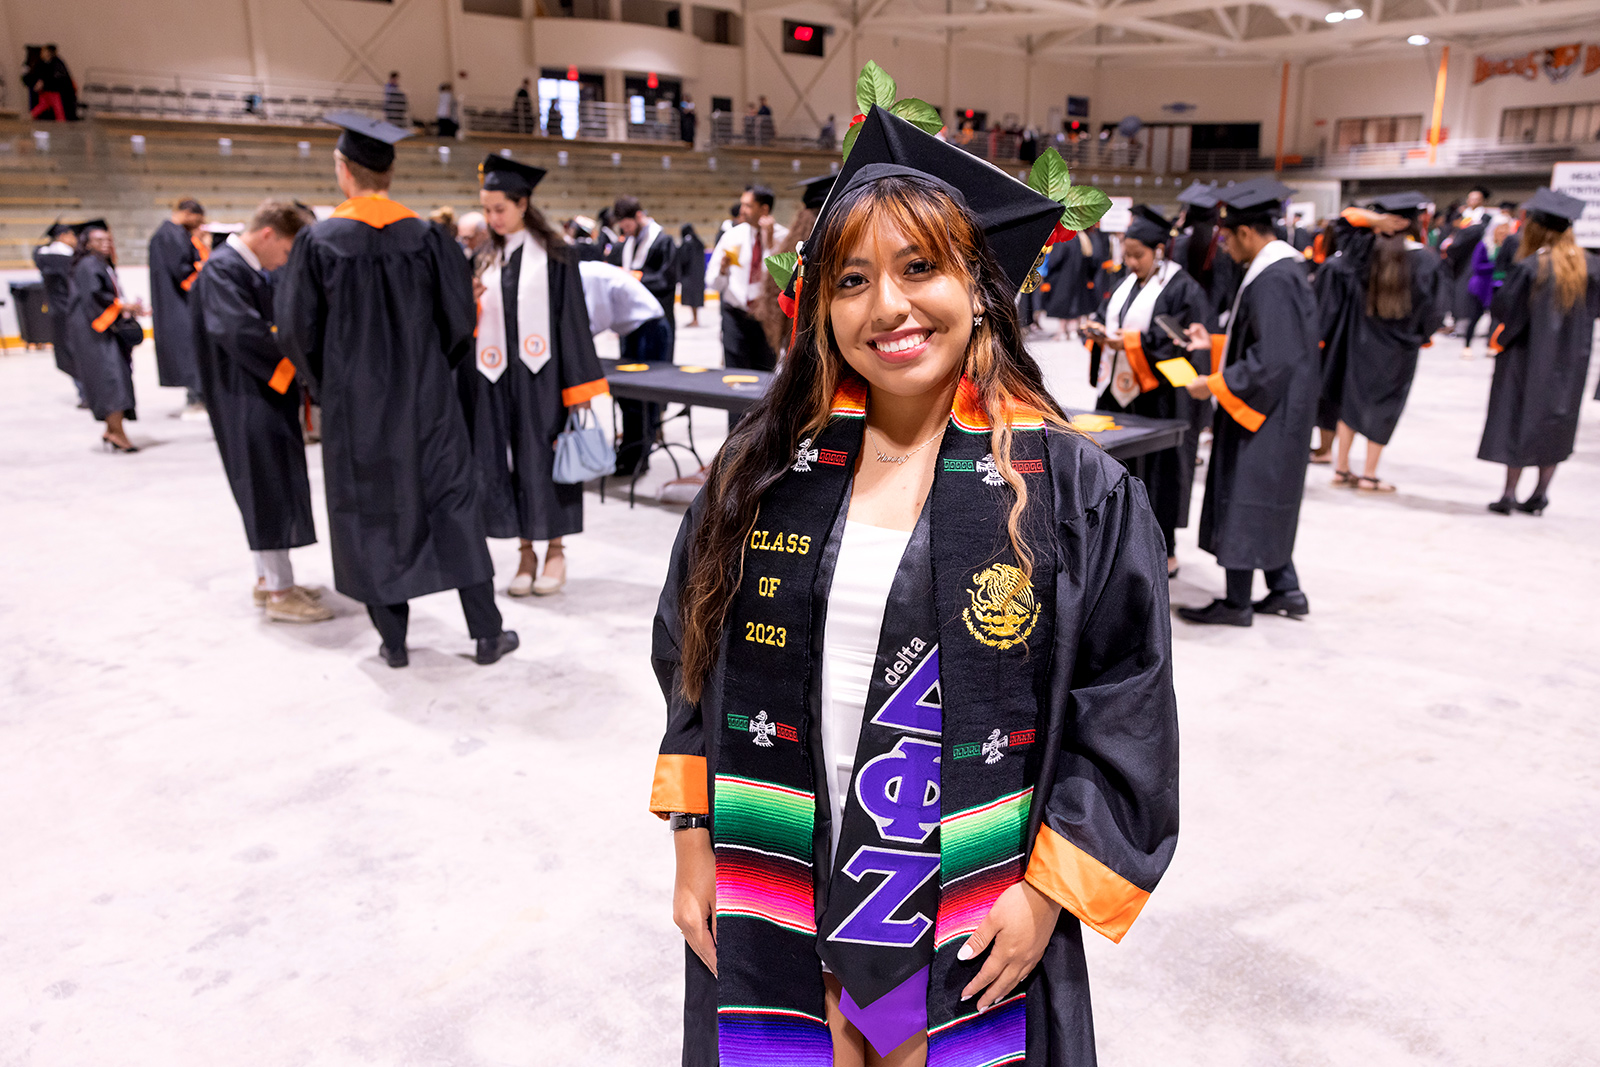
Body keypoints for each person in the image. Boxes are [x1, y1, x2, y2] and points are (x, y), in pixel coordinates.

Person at [650, 101, 1177, 1067]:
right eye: (852, 279)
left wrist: (1044, 895)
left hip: (970, 899)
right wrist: (693, 844)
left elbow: (1124, 704)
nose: (886, 306)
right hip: (779, 876)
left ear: (981, 287)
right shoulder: (758, 472)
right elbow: (689, 665)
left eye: (919, 268)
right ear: (820, 306)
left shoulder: (1068, 489)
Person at [275, 112, 517, 668]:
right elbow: (460, 321)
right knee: (452, 504)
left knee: (370, 511)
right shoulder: (427, 237)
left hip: (356, 409)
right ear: (388, 173)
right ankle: (486, 633)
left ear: (344, 171)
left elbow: (295, 331)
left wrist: (332, 385)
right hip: (430, 401)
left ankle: (394, 643)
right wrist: (433, 371)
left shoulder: (318, 241)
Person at [458, 154, 610, 596]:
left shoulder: (558, 255)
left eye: (499, 209)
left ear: (523, 203)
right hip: (495, 380)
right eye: (486, 210)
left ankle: (556, 550)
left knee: (546, 461)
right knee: (506, 461)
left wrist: (578, 390)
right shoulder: (484, 256)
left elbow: (572, 324)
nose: (492, 218)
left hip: (545, 381)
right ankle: (525, 551)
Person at [1177, 178, 1320, 626]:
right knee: (1267, 498)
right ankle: (1286, 590)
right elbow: (1267, 342)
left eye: (1227, 238)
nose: (1224, 248)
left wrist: (1215, 384)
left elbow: (1271, 358)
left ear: (1245, 233)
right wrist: (1215, 342)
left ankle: (1237, 602)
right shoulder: (1282, 271)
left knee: (1245, 496)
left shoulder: (1272, 279)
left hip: (1265, 411)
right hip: (1284, 408)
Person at [191, 200, 331, 623]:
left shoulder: (242, 268)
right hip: (245, 396)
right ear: (269, 234)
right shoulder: (223, 269)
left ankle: (269, 579)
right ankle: (279, 591)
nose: (285, 262)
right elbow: (241, 332)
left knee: (267, 486)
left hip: (258, 393)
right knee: (266, 487)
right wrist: (296, 366)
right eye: (288, 252)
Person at [1083, 205, 1214, 576]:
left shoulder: (1183, 288)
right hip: (1118, 387)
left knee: (1159, 472)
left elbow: (1182, 343)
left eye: (1138, 256)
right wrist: (1094, 330)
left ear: (1159, 250)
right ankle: (1114, 544)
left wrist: (1129, 343)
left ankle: (1165, 548)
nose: (1131, 263)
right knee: (1114, 466)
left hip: (1159, 394)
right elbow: (1105, 313)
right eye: (1127, 256)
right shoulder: (1124, 284)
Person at [1314, 192, 1448, 493]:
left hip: (1362, 338)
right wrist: (1419, 336)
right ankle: (1369, 474)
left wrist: (1375, 221)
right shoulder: (1426, 260)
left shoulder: (1366, 252)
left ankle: (1342, 467)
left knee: (1352, 399)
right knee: (1385, 406)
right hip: (1400, 346)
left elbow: (1344, 223)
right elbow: (1435, 310)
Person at [1479, 187, 1599, 516]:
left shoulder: (1533, 267)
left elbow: (1509, 313)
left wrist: (1501, 341)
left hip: (1526, 358)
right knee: (1555, 421)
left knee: (1517, 416)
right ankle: (1541, 494)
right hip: (1571, 362)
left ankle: (1508, 494)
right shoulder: (1590, 266)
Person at [67, 221, 146, 453]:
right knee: (111, 381)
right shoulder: (88, 265)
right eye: (99, 241)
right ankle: (117, 432)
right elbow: (96, 299)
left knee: (115, 379)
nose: (105, 244)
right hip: (96, 332)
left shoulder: (100, 263)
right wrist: (123, 307)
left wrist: (125, 308)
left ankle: (113, 429)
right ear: (87, 243)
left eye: (108, 240)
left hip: (101, 330)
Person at [706, 184, 788, 371]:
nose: (742, 210)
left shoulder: (784, 238)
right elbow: (712, 282)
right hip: (735, 314)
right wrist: (723, 270)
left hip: (767, 318)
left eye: (748, 206)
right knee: (735, 372)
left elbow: (782, 281)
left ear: (764, 209)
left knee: (764, 374)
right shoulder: (731, 236)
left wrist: (769, 245)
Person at [148, 198, 209, 416]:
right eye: (197, 219)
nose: (199, 225)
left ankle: (197, 397)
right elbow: (184, 273)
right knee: (191, 352)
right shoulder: (171, 235)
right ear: (186, 213)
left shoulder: (169, 234)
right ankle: (196, 400)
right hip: (180, 306)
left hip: (175, 305)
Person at [33, 221, 80, 398]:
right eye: (72, 235)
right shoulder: (66, 259)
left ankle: (82, 390)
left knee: (67, 350)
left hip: (56, 310)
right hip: (72, 309)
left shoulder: (42, 255)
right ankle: (86, 392)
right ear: (63, 236)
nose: (75, 239)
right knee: (79, 350)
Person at [26, 44, 78, 121]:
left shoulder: (57, 64)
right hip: (45, 92)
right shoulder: (40, 63)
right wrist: (37, 83)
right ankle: (29, 117)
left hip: (54, 91)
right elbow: (34, 76)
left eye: (44, 51)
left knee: (58, 109)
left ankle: (62, 124)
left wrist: (44, 83)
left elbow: (59, 79)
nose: (41, 53)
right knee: (42, 106)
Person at [675, 223, 706, 327]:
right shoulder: (698, 242)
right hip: (699, 275)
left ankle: (695, 320)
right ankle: (695, 319)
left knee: (692, 298)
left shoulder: (687, 242)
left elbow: (683, 259)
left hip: (689, 275)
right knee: (696, 298)